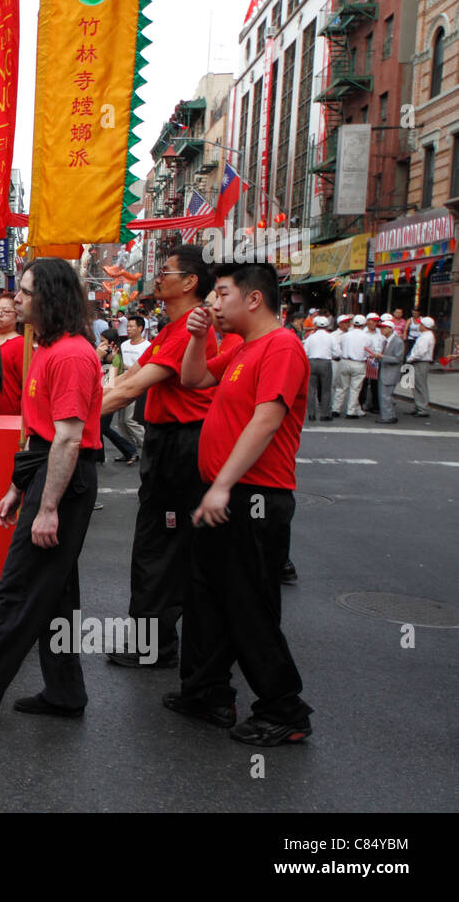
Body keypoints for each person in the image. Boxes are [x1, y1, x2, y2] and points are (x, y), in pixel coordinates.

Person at [0, 258, 102, 722]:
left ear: (51, 296)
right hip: (48, 471)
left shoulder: (69, 354)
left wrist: (47, 507)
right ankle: (66, 694)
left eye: (25, 291)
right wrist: (17, 487)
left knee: (17, 590)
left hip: (63, 480)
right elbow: (43, 435)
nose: (16, 299)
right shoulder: (47, 348)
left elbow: (68, 437)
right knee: (56, 594)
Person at [170, 260, 313, 746]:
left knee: (249, 606)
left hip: (254, 498)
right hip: (226, 494)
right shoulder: (241, 348)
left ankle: (284, 709)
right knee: (206, 597)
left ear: (254, 298)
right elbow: (192, 381)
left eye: (222, 294)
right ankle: (206, 693)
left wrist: (223, 485)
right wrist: (195, 337)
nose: (213, 303)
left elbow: (266, 421)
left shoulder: (281, 346)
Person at [99, 245, 219, 667]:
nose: (158, 277)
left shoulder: (190, 327)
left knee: (162, 544)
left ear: (190, 283)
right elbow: (127, 378)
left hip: (182, 446)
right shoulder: (170, 330)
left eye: (166, 271)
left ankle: (157, 645)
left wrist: (67, 423)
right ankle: (154, 638)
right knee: (157, 540)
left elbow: (131, 391)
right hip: (167, 443)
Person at [96, 330, 139, 464]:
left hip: (109, 396)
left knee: (102, 429)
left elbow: (109, 382)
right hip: (106, 394)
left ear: (111, 343)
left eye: (104, 340)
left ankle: (130, 450)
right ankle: (100, 457)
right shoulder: (109, 357)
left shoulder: (114, 358)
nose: (101, 343)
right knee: (102, 429)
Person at [114, 314, 150, 451]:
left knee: (130, 420)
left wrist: (129, 369)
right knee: (121, 421)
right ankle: (130, 449)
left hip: (136, 385)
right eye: (127, 326)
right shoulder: (123, 345)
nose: (127, 329)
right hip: (122, 384)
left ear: (140, 328)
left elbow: (147, 367)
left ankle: (147, 446)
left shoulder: (147, 346)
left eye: (131, 326)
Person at [333, 314, 369, 418]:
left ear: (353, 324)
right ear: (364, 324)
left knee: (341, 387)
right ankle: (350, 411)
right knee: (355, 388)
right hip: (358, 362)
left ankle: (336, 408)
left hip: (344, 361)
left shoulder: (345, 336)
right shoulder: (366, 337)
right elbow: (368, 351)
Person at [0, 292, 25, 414]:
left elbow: (26, 383)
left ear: (17, 316)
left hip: (10, 413)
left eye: (6, 311)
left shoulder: (20, 344)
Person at [302, 315, 335, 420]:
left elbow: (305, 351)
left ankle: (311, 414)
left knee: (311, 389)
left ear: (315, 325)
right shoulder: (330, 337)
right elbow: (337, 352)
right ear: (327, 325)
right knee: (326, 390)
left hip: (312, 362)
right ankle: (325, 414)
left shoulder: (311, 337)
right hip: (325, 363)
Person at [374, 318, 405, 424]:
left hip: (390, 372)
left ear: (390, 329)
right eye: (381, 328)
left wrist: (382, 356)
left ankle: (388, 416)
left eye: (384, 328)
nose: (382, 330)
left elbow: (398, 359)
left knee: (385, 395)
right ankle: (388, 415)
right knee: (384, 395)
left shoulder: (397, 342)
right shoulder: (385, 341)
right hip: (384, 371)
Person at [406, 316, 436, 416]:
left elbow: (420, 352)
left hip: (420, 362)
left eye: (421, 324)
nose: (419, 325)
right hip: (419, 362)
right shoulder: (425, 335)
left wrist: (410, 359)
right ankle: (418, 406)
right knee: (416, 385)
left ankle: (422, 408)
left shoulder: (426, 337)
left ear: (425, 326)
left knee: (420, 385)